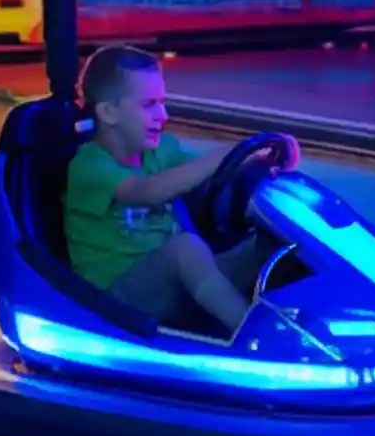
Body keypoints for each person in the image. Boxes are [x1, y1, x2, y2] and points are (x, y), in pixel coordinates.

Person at [63, 44, 300, 336]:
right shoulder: (89, 166)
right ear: (109, 112)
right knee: (185, 248)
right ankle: (255, 335)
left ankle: (303, 324)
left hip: (177, 282)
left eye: (162, 103)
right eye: (149, 105)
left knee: (272, 237)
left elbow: (209, 173)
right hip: (119, 298)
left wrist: (262, 156)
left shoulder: (161, 150)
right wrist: (219, 157)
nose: (163, 115)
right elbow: (148, 191)